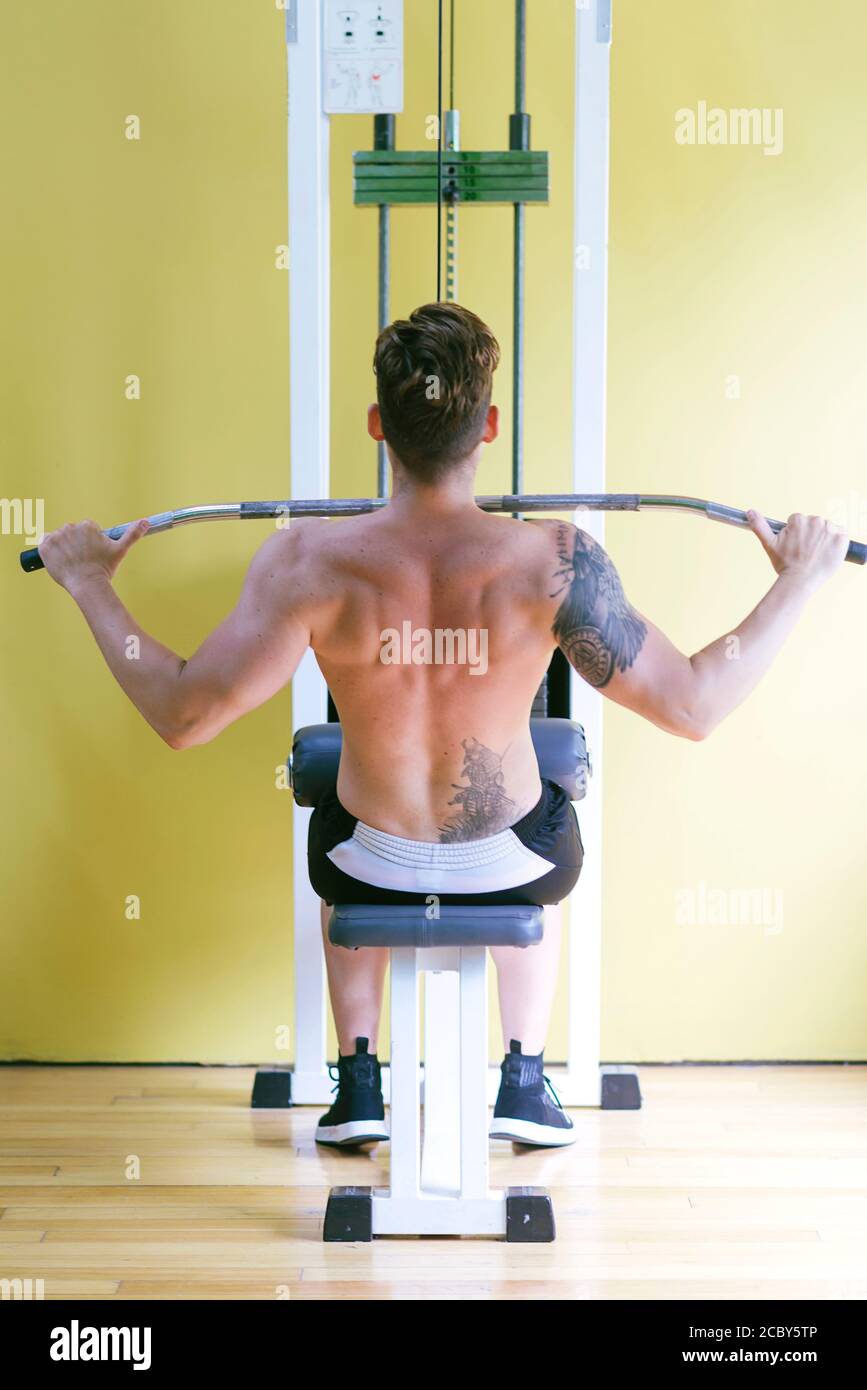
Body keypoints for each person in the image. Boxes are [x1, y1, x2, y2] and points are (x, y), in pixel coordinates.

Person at [38, 302, 850, 1148]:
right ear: (489, 424)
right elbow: (692, 706)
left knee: (328, 791)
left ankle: (358, 1082)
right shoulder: (552, 560)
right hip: (514, 862)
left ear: (376, 425)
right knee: (555, 780)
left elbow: (182, 715)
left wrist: (91, 583)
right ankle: (524, 1080)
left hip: (366, 859)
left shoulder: (306, 561)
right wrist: (797, 580)